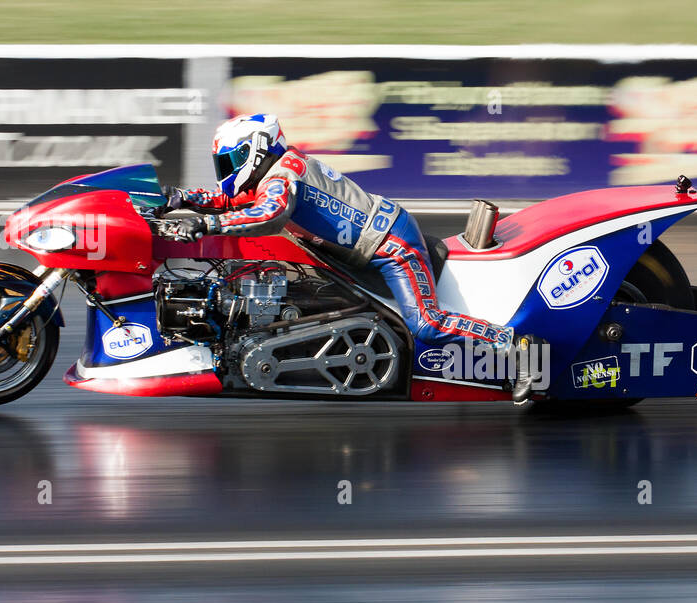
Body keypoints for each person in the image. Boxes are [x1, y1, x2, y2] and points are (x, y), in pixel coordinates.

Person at [163, 113, 538, 403]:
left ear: (257, 150)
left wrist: (208, 224)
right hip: (362, 247)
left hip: (391, 244)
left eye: (232, 161)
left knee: (425, 323)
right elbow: (232, 200)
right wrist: (180, 199)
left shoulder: (283, 175)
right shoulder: (275, 174)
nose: (228, 173)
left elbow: (267, 215)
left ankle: (521, 350)